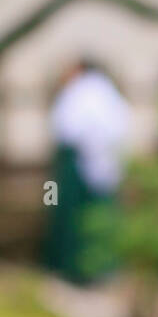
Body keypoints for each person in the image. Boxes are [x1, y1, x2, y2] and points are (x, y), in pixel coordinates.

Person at [41, 58, 130, 284]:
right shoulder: (105, 93)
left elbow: (69, 129)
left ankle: (77, 269)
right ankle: (97, 268)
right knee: (96, 215)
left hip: (78, 163)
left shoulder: (82, 92)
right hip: (101, 163)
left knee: (77, 218)